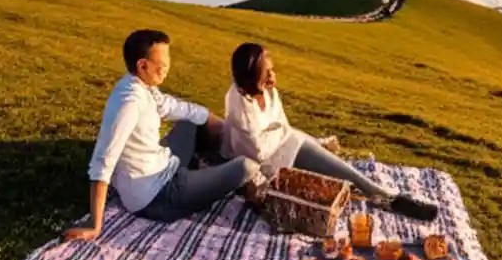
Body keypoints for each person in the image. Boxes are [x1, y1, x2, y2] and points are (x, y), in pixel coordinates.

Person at [63, 29, 261, 241]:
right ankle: (215, 169)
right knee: (246, 166)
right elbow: (102, 162)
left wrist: (216, 122)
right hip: (160, 195)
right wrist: (95, 224)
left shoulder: (141, 85)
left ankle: (209, 165)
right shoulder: (129, 103)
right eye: (162, 66)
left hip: (164, 164)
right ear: (142, 65)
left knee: (191, 121)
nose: (167, 70)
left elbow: (170, 106)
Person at [221, 42, 439, 222]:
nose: (273, 76)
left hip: (286, 143)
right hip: (267, 164)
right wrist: (283, 135)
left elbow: (282, 127)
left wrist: (289, 136)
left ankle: (389, 197)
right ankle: (384, 197)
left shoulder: (270, 93)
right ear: (253, 78)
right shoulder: (238, 105)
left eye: (272, 70)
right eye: (267, 73)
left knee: (340, 169)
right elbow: (259, 150)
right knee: (333, 178)